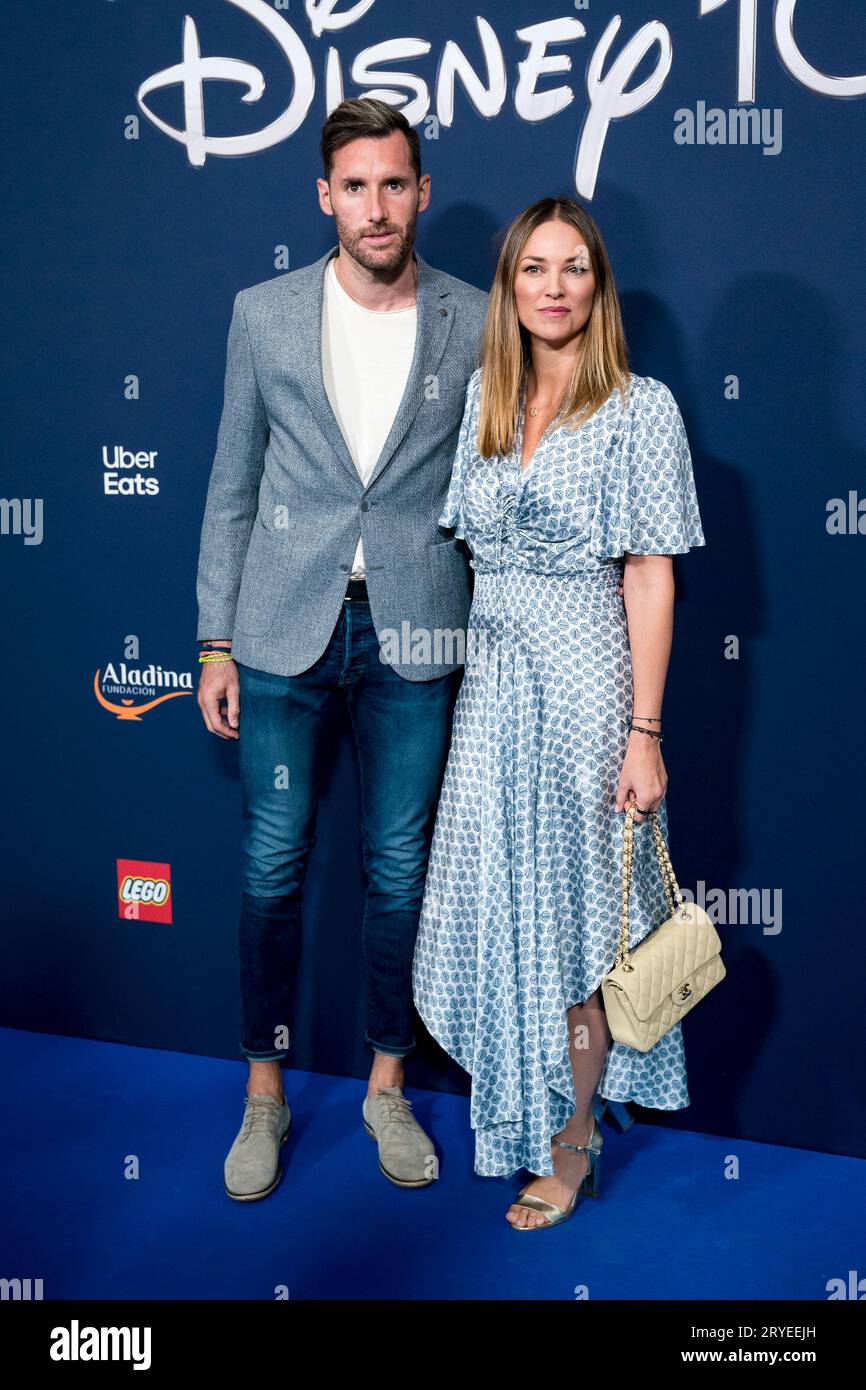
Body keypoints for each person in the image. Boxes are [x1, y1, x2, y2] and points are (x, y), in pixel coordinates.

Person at [195, 97, 488, 1200]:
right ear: (325, 196)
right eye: (354, 185)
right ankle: (262, 1095)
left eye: (394, 183)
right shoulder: (262, 313)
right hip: (279, 627)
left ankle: (384, 1085)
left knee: (397, 871)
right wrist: (215, 638)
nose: (376, 205)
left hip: (416, 628)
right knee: (272, 863)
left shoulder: (471, 316)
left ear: (421, 192)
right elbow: (230, 486)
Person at [412, 196, 707, 1230]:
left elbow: (649, 580)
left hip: (589, 688)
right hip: (491, 691)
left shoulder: (638, 406)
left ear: (596, 285)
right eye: (532, 267)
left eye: (571, 267)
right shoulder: (484, 405)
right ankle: (518, 1108)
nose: (551, 285)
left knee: (582, 925)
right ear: (509, 287)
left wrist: (644, 732)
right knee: (498, 909)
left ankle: (571, 1142)